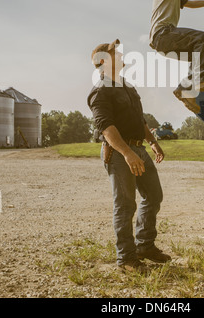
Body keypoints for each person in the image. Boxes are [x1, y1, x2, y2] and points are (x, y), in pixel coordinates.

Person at [87, 39, 171, 272]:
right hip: (119, 152)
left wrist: (152, 142)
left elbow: (139, 119)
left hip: (139, 150)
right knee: (125, 206)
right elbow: (106, 126)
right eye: (117, 53)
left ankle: (144, 246)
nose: (123, 55)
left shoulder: (126, 86)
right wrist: (126, 153)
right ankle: (126, 259)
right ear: (103, 61)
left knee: (153, 196)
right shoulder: (100, 90)